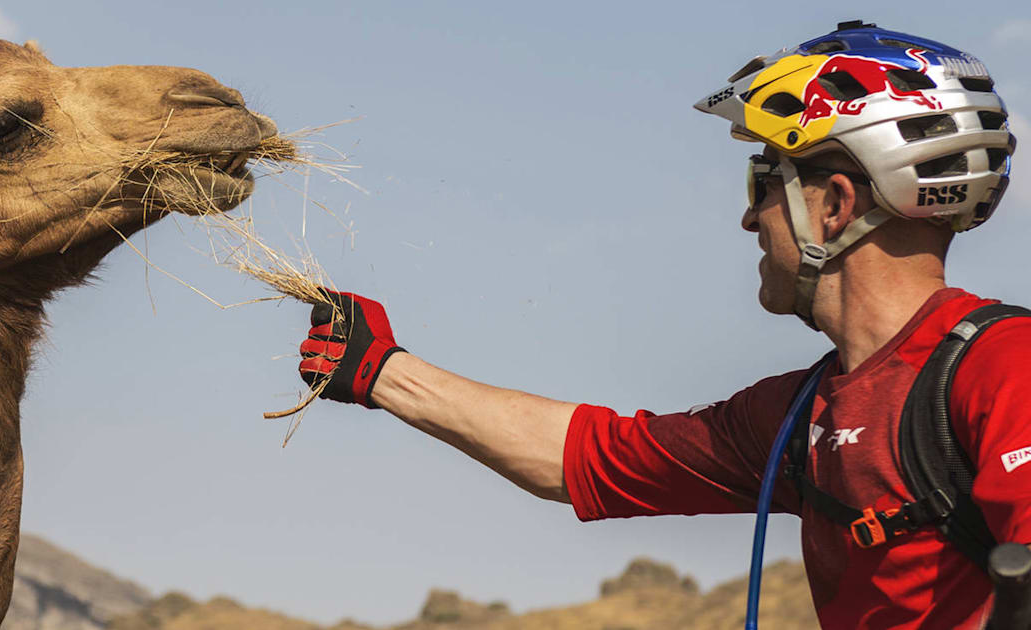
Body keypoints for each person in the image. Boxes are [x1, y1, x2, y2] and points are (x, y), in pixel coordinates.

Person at [296, 22, 1027, 629]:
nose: (748, 218)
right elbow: (589, 459)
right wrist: (382, 371)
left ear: (834, 206)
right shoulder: (797, 414)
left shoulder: (1003, 367)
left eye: (762, 183)